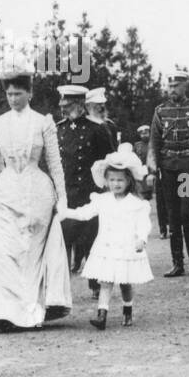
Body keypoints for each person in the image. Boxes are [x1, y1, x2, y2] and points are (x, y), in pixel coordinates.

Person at [0, 68, 71, 332]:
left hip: (35, 191)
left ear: (30, 93)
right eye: (9, 93)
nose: (13, 98)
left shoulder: (43, 122)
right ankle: (3, 312)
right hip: (5, 191)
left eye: (18, 93)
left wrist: (62, 199)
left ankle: (29, 313)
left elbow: (55, 164)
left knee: (28, 253)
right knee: (0, 249)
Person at [59, 144, 153, 329]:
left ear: (128, 182)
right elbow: (85, 213)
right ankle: (102, 314)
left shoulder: (136, 204)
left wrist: (141, 239)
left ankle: (127, 309)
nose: (115, 184)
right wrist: (65, 212)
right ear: (106, 181)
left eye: (120, 180)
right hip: (107, 246)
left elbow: (144, 223)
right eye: (111, 180)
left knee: (125, 284)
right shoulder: (102, 200)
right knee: (106, 281)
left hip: (127, 247)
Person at [147, 68, 189, 277]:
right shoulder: (160, 111)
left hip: (186, 169)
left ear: (185, 86)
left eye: (176, 86)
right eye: (170, 86)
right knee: (172, 215)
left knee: (185, 212)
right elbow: (154, 143)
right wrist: (152, 168)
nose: (172, 89)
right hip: (168, 169)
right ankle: (177, 262)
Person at [55, 85, 114, 279]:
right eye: (63, 104)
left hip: (90, 194)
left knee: (92, 241)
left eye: (69, 105)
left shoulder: (96, 129)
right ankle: (60, 288)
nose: (64, 109)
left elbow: (109, 161)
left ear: (80, 105)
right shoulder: (58, 129)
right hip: (67, 194)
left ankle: (96, 284)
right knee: (63, 241)